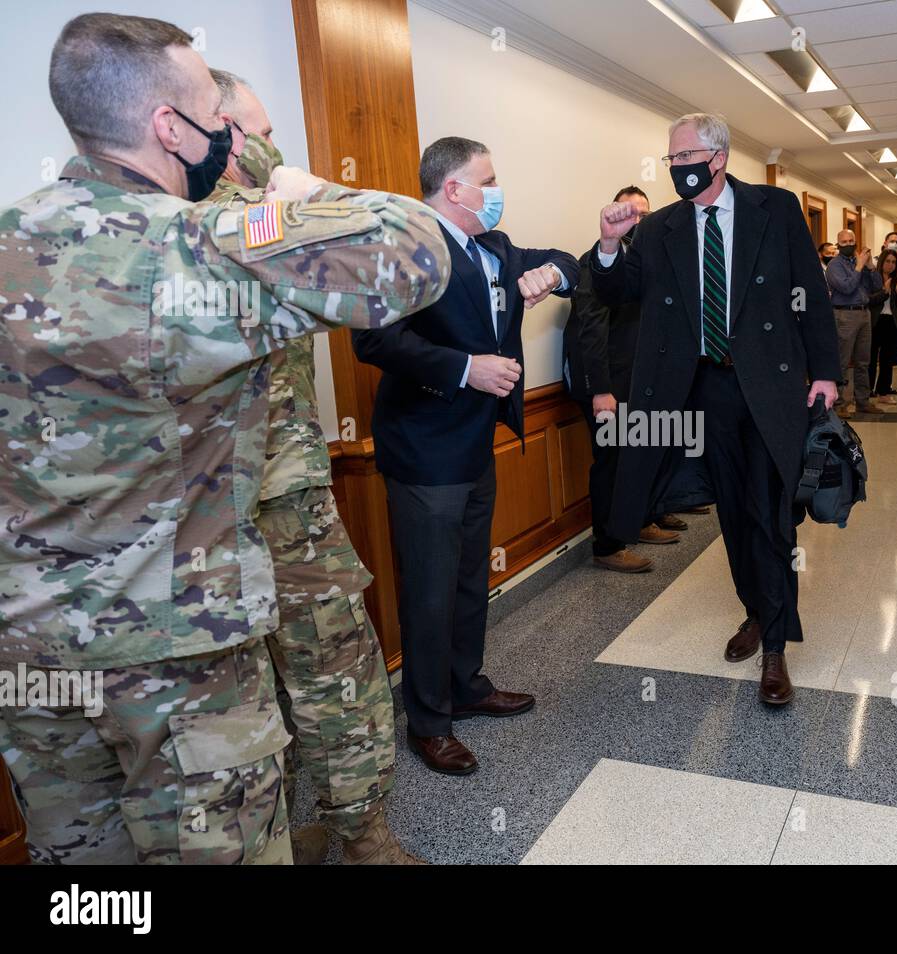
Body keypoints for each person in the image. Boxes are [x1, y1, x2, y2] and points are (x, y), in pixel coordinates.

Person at [0, 12, 450, 865]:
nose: (233, 138)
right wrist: (295, 185)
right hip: (174, 658)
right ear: (170, 127)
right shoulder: (192, 247)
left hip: (30, 659)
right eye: (219, 114)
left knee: (85, 873)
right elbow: (416, 252)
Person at [206, 70, 412, 864]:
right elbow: (396, 264)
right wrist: (304, 191)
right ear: (220, 135)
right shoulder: (246, 227)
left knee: (280, 679)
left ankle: (324, 832)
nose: (273, 145)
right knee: (331, 675)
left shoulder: (191, 230)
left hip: (232, 506)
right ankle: (351, 838)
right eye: (259, 130)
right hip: (262, 508)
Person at [591, 113, 839, 706]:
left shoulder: (774, 211)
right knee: (731, 513)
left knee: (771, 514)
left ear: (718, 157)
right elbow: (617, 289)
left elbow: (811, 293)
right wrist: (607, 242)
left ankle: (776, 645)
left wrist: (826, 372)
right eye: (671, 159)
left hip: (770, 388)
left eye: (684, 157)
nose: (675, 167)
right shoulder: (661, 230)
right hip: (703, 392)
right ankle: (755, 611)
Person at [352, 137, 578, 776]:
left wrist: (554, 273)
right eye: (489, 179)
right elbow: (372, 338)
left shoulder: (497, 249)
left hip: (478, 445)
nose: (498, 190)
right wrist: (464, 369)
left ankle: (465, 685)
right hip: (424, 450)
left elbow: (566, 261)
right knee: (428, 590)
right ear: (455, 189)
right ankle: (428, 721)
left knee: (468, 578)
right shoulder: (403, 246)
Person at [564, 186, 680, 574]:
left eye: (646, 214)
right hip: (605, 386)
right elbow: (591, 331)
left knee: (638, 455)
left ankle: (641, 521)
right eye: (632, 213)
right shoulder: (596, 261)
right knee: (611, 465)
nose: (639, 220)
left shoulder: (644, 261)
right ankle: (608, 545)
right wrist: (601, 391)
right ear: (617, 216)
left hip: (635, 382)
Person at [825, 228, 881, 418]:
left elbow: (877, 287)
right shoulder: (834, 266)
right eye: (844, 242)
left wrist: (871, 267)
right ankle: (839, 404)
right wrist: (859, 266)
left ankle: (863, 401)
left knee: (863, 361)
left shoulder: (863, 263)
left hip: (864, 314)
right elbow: (847, 288)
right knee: (842, 362)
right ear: (838, 244)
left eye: (851, 241)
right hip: (845, 315)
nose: (849, 245)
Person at [868, 249, 897, 405]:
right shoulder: (873, 278)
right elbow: (869, 300)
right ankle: (868, 390)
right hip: (875, 322)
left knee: (887, 359)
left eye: (893, 262)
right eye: (888, 261)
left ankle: (883, 392)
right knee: (870, 358)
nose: (890, 265)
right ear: (882, 261)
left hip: (892, 322)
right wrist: (885, 291)